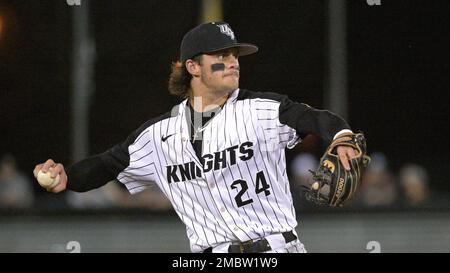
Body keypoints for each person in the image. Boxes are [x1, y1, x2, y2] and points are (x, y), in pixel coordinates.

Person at [33, 22, 359, 253]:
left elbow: (313, 118)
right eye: (221, 55)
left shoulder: (261, 110)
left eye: (235, 55)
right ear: (193, 67)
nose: (233, 62)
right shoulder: (157, 136)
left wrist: (342, 136)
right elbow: (106, 165)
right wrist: (67, 177)